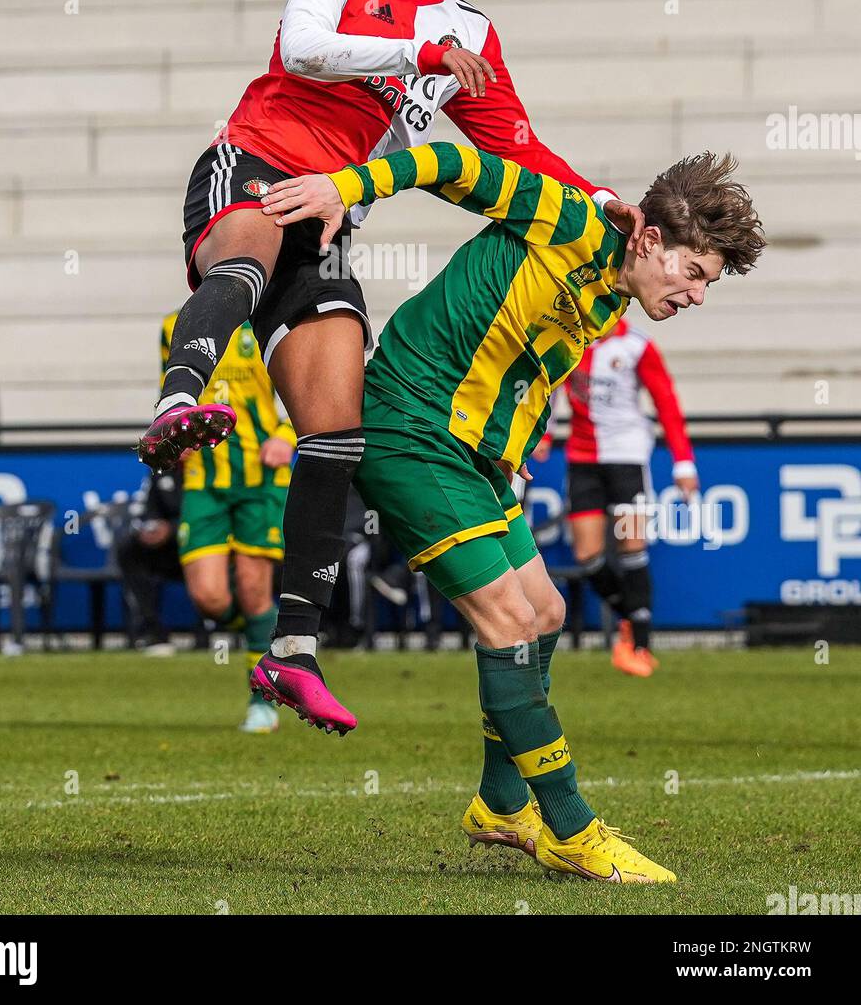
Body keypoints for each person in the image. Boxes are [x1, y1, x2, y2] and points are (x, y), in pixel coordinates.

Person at [137, 0, 645, 731]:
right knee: (243, 261)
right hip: (256, 163)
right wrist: (422, 52)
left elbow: (514, 145)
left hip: (330, 221)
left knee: (337, 433)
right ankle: (178, 405)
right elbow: (302, 49)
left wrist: (599, 196)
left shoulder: (469, 29)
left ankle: (291, 652)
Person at [255, 141, 763, 878]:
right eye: (692, 273)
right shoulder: (562, 217)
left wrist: (515, 438)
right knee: (510, 621)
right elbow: (453, 164)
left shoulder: (610, 290)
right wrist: (346, 187)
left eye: (707, 282)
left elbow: (518, 357)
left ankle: (498, 805)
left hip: (474, 455)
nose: (695, 295)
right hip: (410, 429)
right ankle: (570, 826)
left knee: (546, 613)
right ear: (649, 239)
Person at [534, 323, 699, 676]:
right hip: (582, 460)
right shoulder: (571, 338)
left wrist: (683, 462)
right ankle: (632, 618)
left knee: (631, 545)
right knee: (588, 555)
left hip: (627, 457)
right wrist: (542, 433)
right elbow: (550, 388)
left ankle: (640, 646)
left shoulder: (637, 346)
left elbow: (665, 400)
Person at [161, 312, 296, 733]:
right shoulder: (172, 327)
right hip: (206, 481)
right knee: (209, 598)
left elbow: (309, 391)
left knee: (255, 590)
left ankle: (263, 704)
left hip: (261, 477)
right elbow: (167, 393)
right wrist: (173, 438)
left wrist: (286, 436)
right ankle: (266, 630)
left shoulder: (272, 322)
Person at [115, 468, 183, 656]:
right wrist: (150, 529)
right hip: (171, 550)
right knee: (130, 550)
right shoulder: (162, 469)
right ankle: (153, 631)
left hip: (208, 546)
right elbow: (148, 510)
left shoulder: (214, 468)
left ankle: (216, 634)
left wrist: (172, 529)